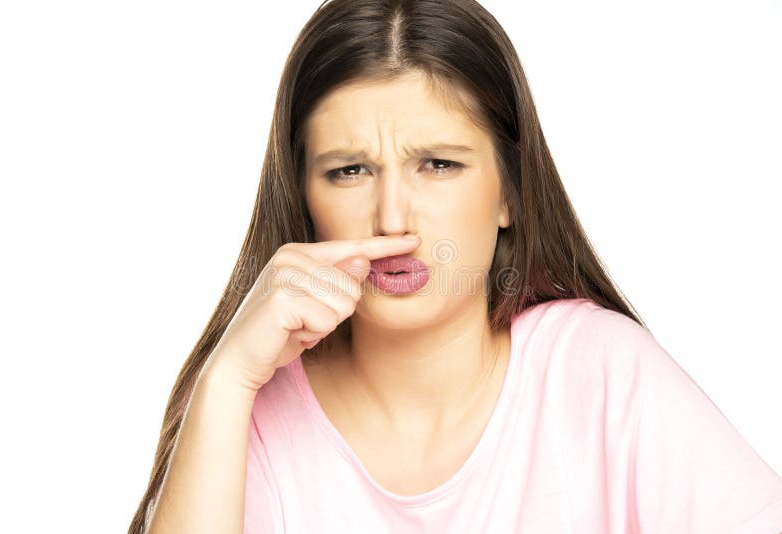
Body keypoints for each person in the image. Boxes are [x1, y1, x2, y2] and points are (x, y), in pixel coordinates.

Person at [130, 1, 782, 532]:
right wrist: (225, 379)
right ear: (304, 196)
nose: (392, 221)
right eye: (349, 171)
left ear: (508, 192)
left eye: (438, 164)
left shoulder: (602, 372)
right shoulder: (249, 413)